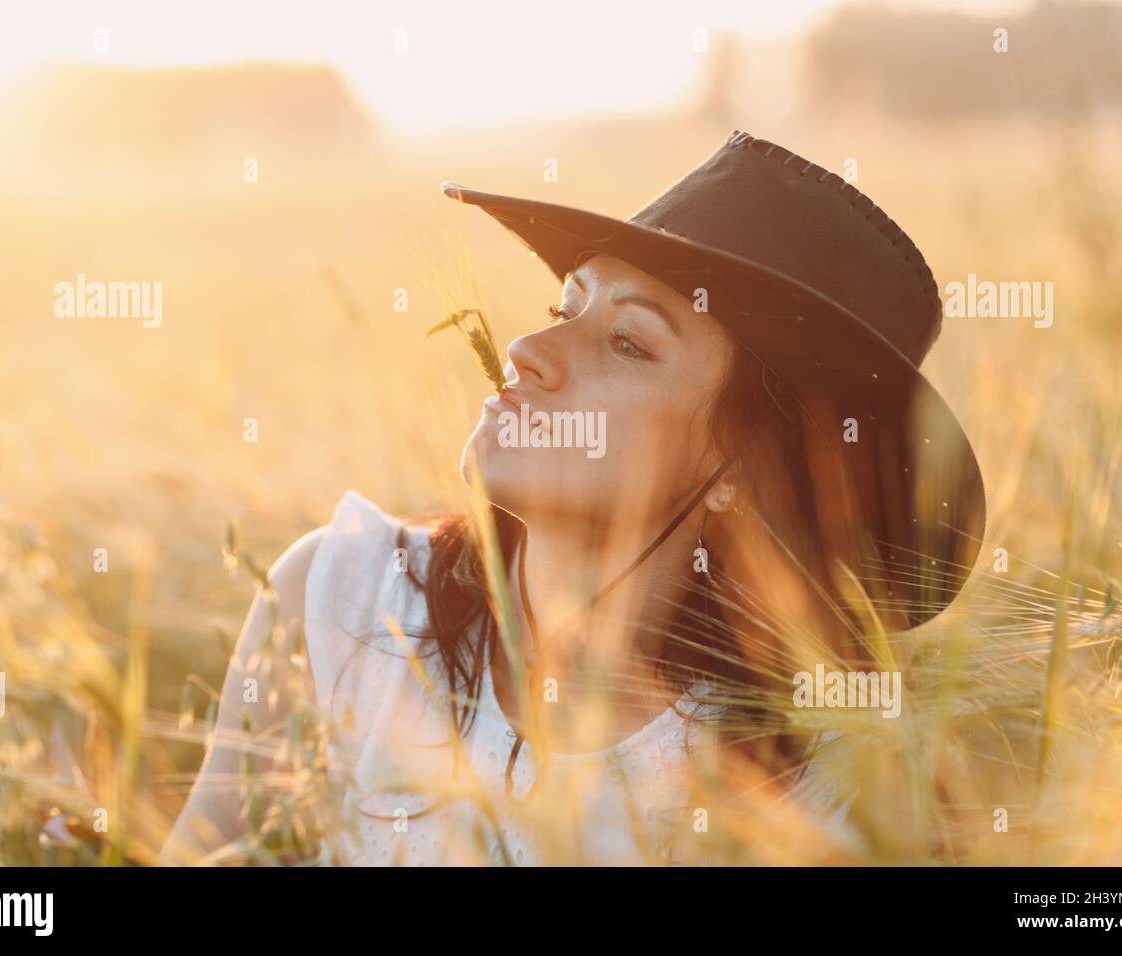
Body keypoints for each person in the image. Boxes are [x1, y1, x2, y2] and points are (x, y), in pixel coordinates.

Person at [161, 129, 986, 866]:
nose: (526, 349)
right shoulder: (337, 600)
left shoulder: (806, 792)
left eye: (627, 342)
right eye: (564, 308)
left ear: (747, 469)